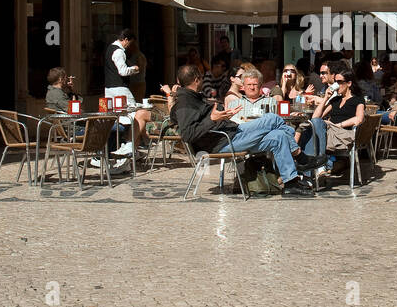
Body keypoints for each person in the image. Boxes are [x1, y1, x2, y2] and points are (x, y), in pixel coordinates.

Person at [166, 65, 316, 198]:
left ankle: (291, 183)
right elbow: (188, 135)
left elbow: (180, 118)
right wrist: (213, 118)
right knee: (272, 118)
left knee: (278, 136)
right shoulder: (186, 102)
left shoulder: (189, 99)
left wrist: (221, 116)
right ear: (197, 79)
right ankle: (300, 157)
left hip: (229, 133)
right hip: (223, 142)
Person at [104, 28, 152, 160]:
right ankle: (131, 145)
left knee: (121, 117)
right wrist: (134, 69)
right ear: (125, 39)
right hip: (120, 89)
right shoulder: (119, 51)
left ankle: (136, 146)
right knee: (136, 115)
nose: (129, 46)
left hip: (109, 89)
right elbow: (123, 71)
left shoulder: (109, 49)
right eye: (129, 43)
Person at [312, 69, 365, 179]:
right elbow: (315, 117)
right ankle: (318, 167)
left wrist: (339, 125)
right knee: (312, 127)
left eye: (340, 82)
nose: (336, 85)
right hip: (330, 132)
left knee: (310, 133)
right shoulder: (335, 99)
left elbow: (359, 119)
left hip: (344, 134)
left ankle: (315, 167)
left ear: (349, 83)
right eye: (335, 82)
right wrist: (326, 97)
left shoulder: (357, 100)